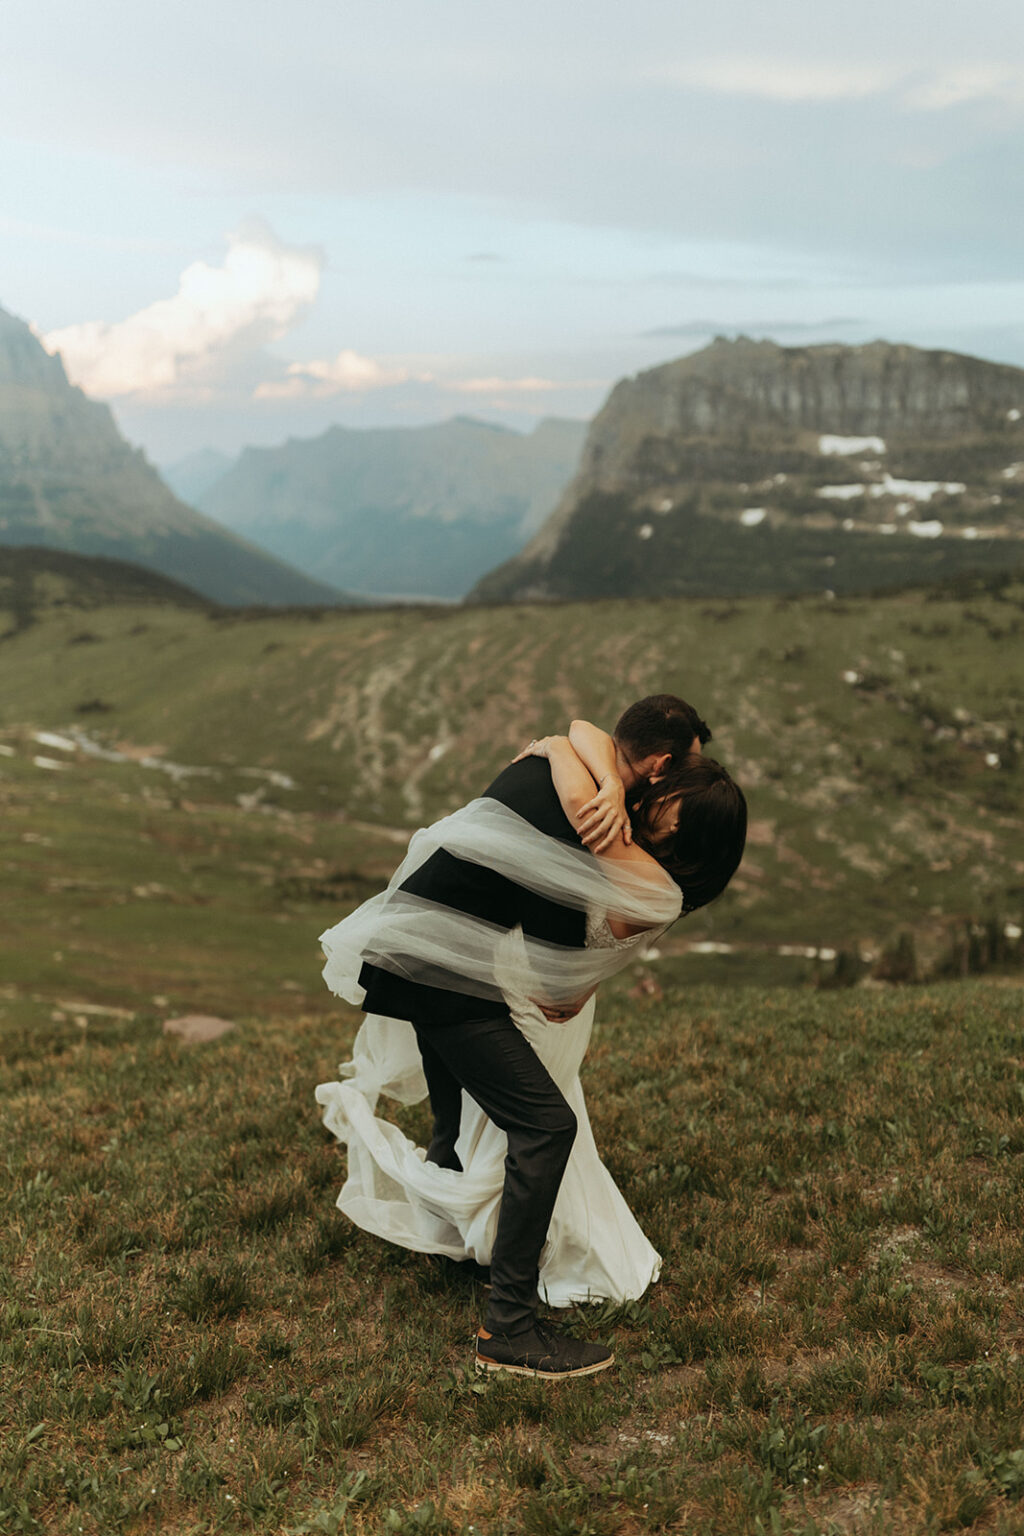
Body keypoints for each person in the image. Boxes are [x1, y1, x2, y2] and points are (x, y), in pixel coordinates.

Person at [315, 696, 746, 1379]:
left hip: (443, 947)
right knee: (543, 1127)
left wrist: (567, 756)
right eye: (673, 778)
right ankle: (507, 1327)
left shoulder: (610, 828)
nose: (666, 791)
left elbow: (571, 740)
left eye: (675, 799)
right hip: (442, 964)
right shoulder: (603, 810)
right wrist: (585, 765)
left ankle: (452, 1232)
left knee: (463, 1105)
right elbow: (574, 745)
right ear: (659, 764)